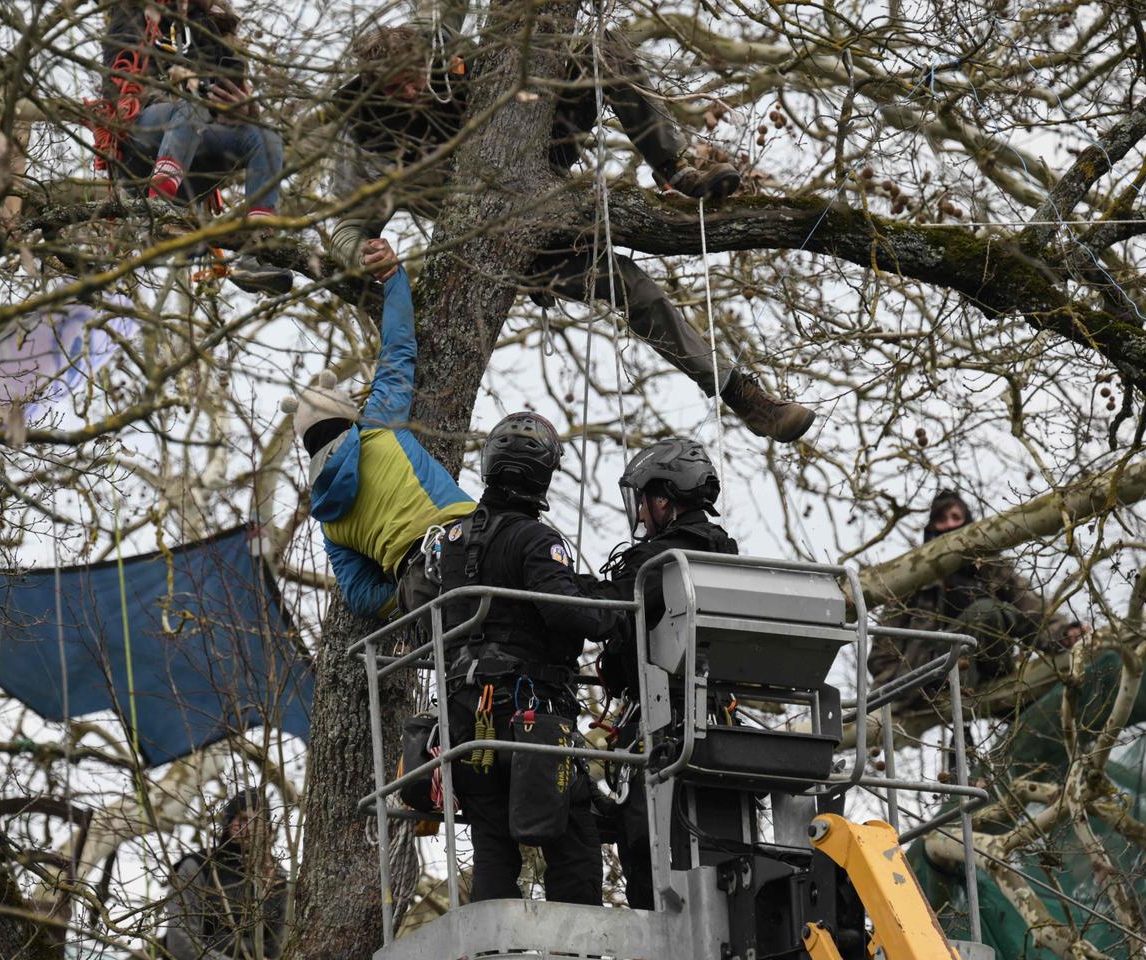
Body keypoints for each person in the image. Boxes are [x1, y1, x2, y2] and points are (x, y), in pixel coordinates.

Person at [322, 21, 816, 443]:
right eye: (395, 89)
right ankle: (745, 398)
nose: (410, 93)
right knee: (635, 290)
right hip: (508, 245)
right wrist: (360, 253)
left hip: (541, 155)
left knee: (604, 47)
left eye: (414, 80)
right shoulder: (367, 133)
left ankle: (674, 167)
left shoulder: (461, 67)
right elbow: (346, 223)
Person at [437, 411, 619, 904]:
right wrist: (613, 612)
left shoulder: (451, 541)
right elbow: (567, 613)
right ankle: (577, 952)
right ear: (544, 473)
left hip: (464, 713)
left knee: (493, 839)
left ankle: (492, 950)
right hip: (528, 714)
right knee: (574, 834)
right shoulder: (536, 539)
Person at [279, 238, 475, 619]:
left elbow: (361, 596)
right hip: (470, 541)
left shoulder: (329, 524)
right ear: (346, 413)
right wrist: (393, 277)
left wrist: (404, 591)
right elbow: (399, 349)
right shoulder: (377, 425)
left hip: (425, 585)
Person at [580, 437, 736, 910]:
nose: (642, 514)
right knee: (720, 845)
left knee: (641, 838)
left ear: (664, 499)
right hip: (718, 724)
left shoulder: (660, 564)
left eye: (646, 502)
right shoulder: (725, 554)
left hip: (658, 722)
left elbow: (605, 612)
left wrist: (562, 584)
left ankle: (660, 930)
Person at [95, 0, 292, 295]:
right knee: (192, 106)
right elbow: (118, 75)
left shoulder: (207, 28)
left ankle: (258, 253)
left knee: (266, 137)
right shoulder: (135, 11)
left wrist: (241, 110)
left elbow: (220, 93)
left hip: (192, 152)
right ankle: (160, 214)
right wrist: (178, 80)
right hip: (141, 140)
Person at [867, 489, 1083, 708]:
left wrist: (1063, 634)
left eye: (956, 517)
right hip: (930, 677)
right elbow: (882, 650)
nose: (950, 525)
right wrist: (894, 692)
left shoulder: (994, 570)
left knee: (987, 611)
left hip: (993, 671)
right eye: (941, 519)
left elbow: (1033, 611)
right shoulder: (916, 580)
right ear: (932, 528)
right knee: (984, 610)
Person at [163, 789, 287, 960]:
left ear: (267, 828)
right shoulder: (198, 866)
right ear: (229, 823)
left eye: (257, 822)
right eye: (243, 820)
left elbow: (282, 944)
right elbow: (180, 942)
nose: (250, 828)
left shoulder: (277, 877)